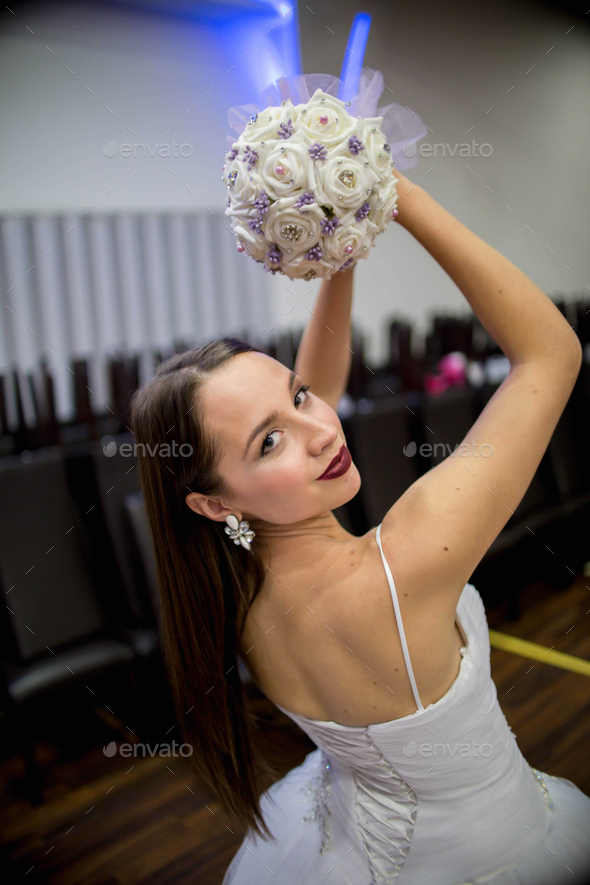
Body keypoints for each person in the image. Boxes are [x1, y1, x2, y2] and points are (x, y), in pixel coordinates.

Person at [129, 167, 590, 885]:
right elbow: (552, 353)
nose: (319, 428)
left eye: (299, 397)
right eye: (269, 442)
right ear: (217, 502)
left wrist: (339, 251)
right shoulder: (405, 556)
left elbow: (324, 385)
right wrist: (407, 202)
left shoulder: (232, 586)